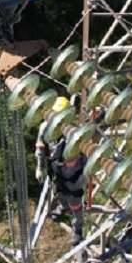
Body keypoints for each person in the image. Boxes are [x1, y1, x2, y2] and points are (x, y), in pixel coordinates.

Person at [34, 96, 87, 243]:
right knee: (60, 191)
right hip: (56, 170)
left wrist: (85, 174)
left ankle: (77, 228)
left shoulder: (75, 133)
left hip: (74, 174)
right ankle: (63, 207)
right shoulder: (46, 127)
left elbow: (86, 155)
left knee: (75, 202)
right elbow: (41, 147)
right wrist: (40, 167)